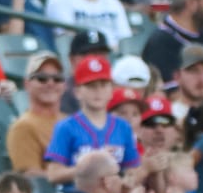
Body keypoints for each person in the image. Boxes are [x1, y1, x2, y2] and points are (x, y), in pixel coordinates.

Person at [44, 55, 141, 183]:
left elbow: (132, 170)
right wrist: (91, 165)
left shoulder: (123, 127)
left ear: (112, 90)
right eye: (91, 86)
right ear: (77, 92)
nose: (98, 91)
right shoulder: (66, 127)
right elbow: (53, 174)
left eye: (103, 85)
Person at [6, 53, 67, 176]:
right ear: (27, 84)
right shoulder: (23, 127)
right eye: (42, 78)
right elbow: (32, 177)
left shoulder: (70, 121)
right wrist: (75, 175)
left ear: (64, 85)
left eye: (57, 79)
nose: (50, 83)